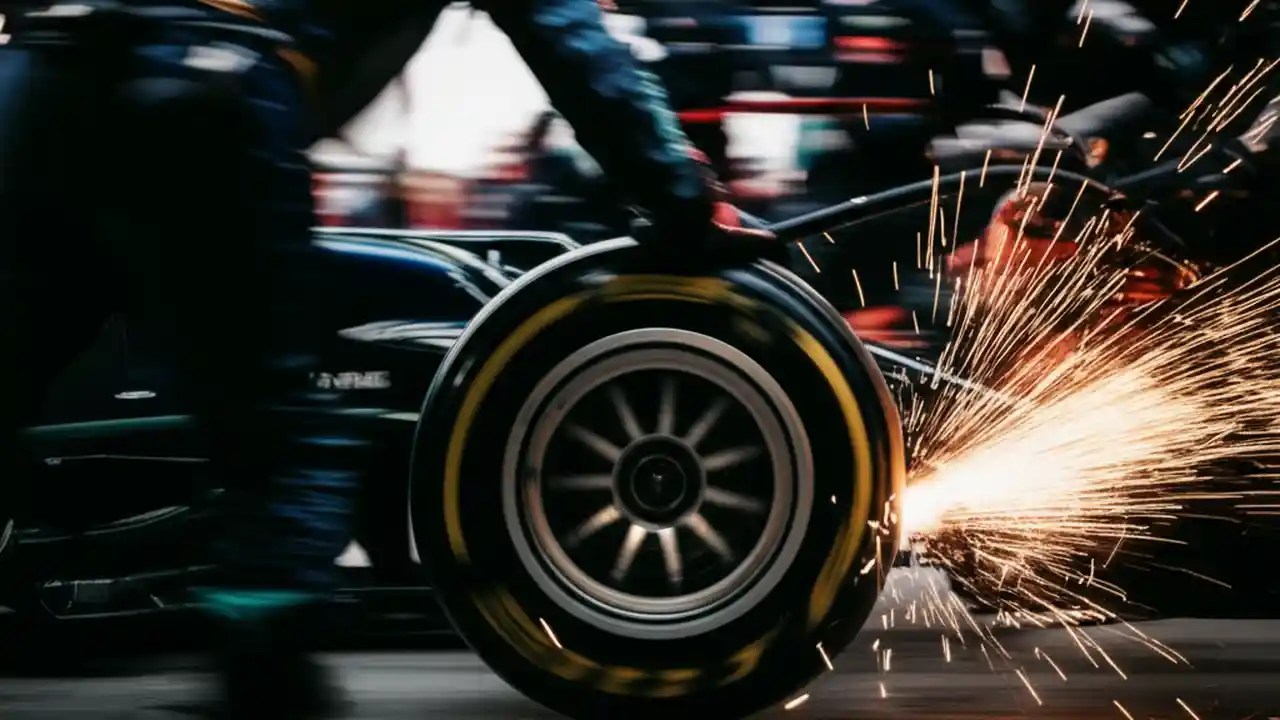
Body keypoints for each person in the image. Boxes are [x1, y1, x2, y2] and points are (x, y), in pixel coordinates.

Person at [0, 1, 776, 717]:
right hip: (203, 89)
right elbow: (566, 32)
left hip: (36, 78)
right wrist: (679, 196)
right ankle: (265, 689)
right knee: (281, 448)